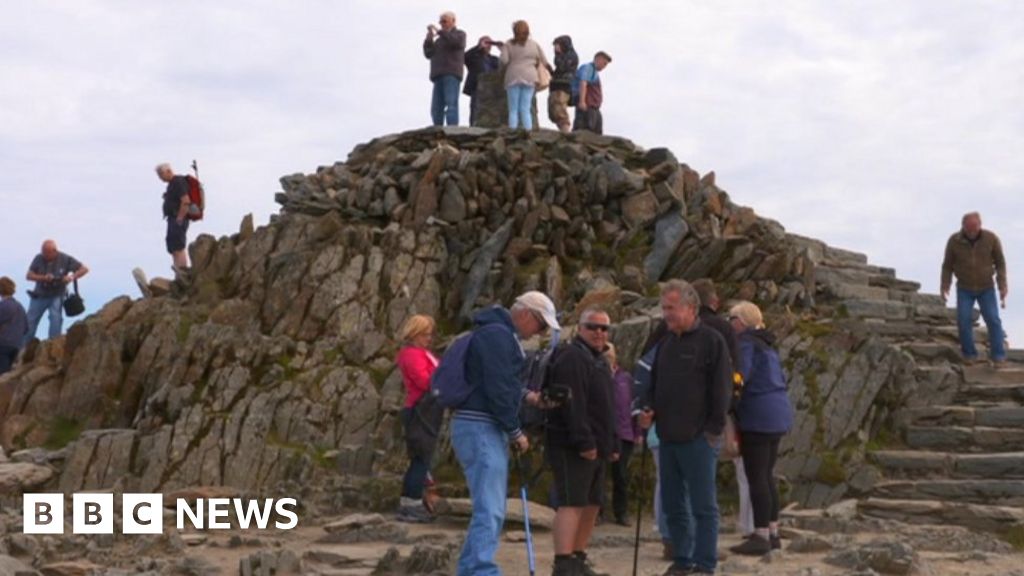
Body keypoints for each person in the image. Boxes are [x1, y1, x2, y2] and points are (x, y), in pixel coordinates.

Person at [451, 290, 559, 576]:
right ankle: (480, 570)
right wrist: (515, 431)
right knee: (490, 507)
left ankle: (472, 568)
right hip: (482, 427)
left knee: (489, 505)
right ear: (525, 314)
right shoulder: (499, 336)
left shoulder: (495, 333)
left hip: (476, 424)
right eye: (541, 324)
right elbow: (498, 389)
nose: (540, 332)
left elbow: (498, 383)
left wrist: (528, 397)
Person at [638, 280, 732, 576]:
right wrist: (647, 408)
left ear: (691, 308)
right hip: (667, 437)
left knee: (703, 506)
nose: (666, 314)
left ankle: (705, 564)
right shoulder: (665, 343)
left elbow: (722, 390)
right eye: (664, 308)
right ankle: (682, 559)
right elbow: (653, 385)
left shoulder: (712, 341)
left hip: (699, 439)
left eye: (672, 308)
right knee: (673, 505)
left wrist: (712, 431)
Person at [545, 307, 618, 576]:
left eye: (604, 328)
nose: (599, 332)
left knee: (592, 502)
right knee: (572, 502)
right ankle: (563, 563)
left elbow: (607, 407)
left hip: (598, 445)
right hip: (572, 445)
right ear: (579, 328)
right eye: (592, 327)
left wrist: (611, 444)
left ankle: (578, 557)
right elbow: (571, 405)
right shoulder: (572, 357)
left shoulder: (598, 360)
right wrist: (583, 442)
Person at [727, 302, 794, 556]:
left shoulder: (745, 344)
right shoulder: (768, 345)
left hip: (757, 415)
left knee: (756, 476)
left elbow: (739, 378)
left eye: (731, 318)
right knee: (767, 475)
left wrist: (728, 401)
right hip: (777, 413)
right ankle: (773, 532)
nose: (729, 323)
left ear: (741, 322)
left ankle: (760, 535)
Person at [691, 279, 752, 536]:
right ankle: (709, 530)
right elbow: (735, 373)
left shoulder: (679, 327)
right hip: (717, 411)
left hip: (684, 411)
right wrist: (730, 405)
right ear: (714, 301)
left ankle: (684, 531)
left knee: (690, 473)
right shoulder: (724, 330)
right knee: (710, 470)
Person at [941, 211, 1009, 366]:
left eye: (974, 228)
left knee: (993, 319)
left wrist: (1002, 285)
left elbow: (1000, 263)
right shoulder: (954, 241)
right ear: (963, 227)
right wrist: (945, 285)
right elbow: (947, 266)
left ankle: (998, 356)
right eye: (968, 229)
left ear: (980, 225)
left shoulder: (991, 238)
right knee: (963, 320)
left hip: (986, 287)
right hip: (964, 288)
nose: (972, 232)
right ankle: (969, 355)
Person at [395, 314, 440, 523]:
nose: (428, 339)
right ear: (414, 334)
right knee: (420, 459)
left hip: (424, 409)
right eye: (425, 334)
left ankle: (409, 502)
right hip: (420, 410)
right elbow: (424, 381)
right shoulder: (412, 355)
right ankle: (411, 504)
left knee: (420, 459)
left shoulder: (420, 353)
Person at [23, 240, 89, 344]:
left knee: (55, 318)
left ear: (54, 251)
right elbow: (29, 275)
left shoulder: (65, 258)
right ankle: (23, 346)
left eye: (47, 253)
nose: (45, 256)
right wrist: (44, 278)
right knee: (30, 320)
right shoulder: (38, 258)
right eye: (43, 253)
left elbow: (84, 269)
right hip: (39, 295)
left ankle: (52, 344)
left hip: (57, 295)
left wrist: (71, 277)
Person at [604, 343, 639, 528]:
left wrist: (637, 431)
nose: (607, 355)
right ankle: (597, 512)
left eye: (609, 352)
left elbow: (634, 405)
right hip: (602, 433)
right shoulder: (596, 375)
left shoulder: (626, 378)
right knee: (598, 475)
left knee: (621, 475)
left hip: (624, 433)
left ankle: (621, 512)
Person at [499, 20, 550, 131]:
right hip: (530, 78)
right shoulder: (534, 44)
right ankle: (528, 132)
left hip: (513, 77)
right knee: (525, 108)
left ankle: (512, 131)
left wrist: (502, 50)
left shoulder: (508, 44)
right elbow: (545, 61)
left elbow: (504, 60)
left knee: (513, 109)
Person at [423, 10, 466, 126]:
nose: (442, 24)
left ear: (453, 21)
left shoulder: (460, 34)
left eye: (444, 21)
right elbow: (428, 53)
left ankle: (452, 129)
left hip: (452, 74)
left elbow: (456, 43)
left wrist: (440, 32)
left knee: (451, 103)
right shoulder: (439, 40)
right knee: (436, 107)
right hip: (438, 75)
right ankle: (437, 129)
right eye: (440, 22)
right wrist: (429, 40)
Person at [156, 163, 192, 273]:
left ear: (168, 171)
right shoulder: (172, 184)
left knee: (178, 247)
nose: (160, 178)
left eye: (161, 174)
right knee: (173, 247)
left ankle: (183, 272)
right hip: (173, 219)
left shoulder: (178, 182)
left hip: (178, 219)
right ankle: (178, 272)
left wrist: (180, 218)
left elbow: (185, 201)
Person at [464, 36, 501, 126]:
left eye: (490, 43)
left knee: (491, 110)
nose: (488, 45)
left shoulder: (494, 59)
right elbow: (465, 57)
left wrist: (503, 50)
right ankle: (473, 126)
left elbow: (505, 65)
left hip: (491, 89)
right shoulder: (474, 56)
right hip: (477, 87)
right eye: (486, 43)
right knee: (475, 108)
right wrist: (479, 47)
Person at [572, 51, 612, 134]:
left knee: (596, 129)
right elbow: (583, 83)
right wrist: (582, 101)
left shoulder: (594, 72)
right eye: (604, 63)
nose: (604, 67)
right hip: (587, 105)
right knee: (585, 128)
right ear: (598, 59)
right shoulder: (588, 68)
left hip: (593, 106)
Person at [548, 35, 578, 133]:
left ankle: (565, 132)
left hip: (563, 86)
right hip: (557, 85)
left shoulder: (571, 56)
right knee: (554, 111)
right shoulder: (562, 56)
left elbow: (563, 67)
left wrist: (558, 55)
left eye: (557, 45)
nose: (555, 47)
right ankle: (563, 130)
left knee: (560, 110)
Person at [0, 277, 28, 374]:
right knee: (7, 374)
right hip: (17, 345)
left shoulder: (3, 306)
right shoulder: (21, 307)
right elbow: (26, 328)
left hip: (3, 344)